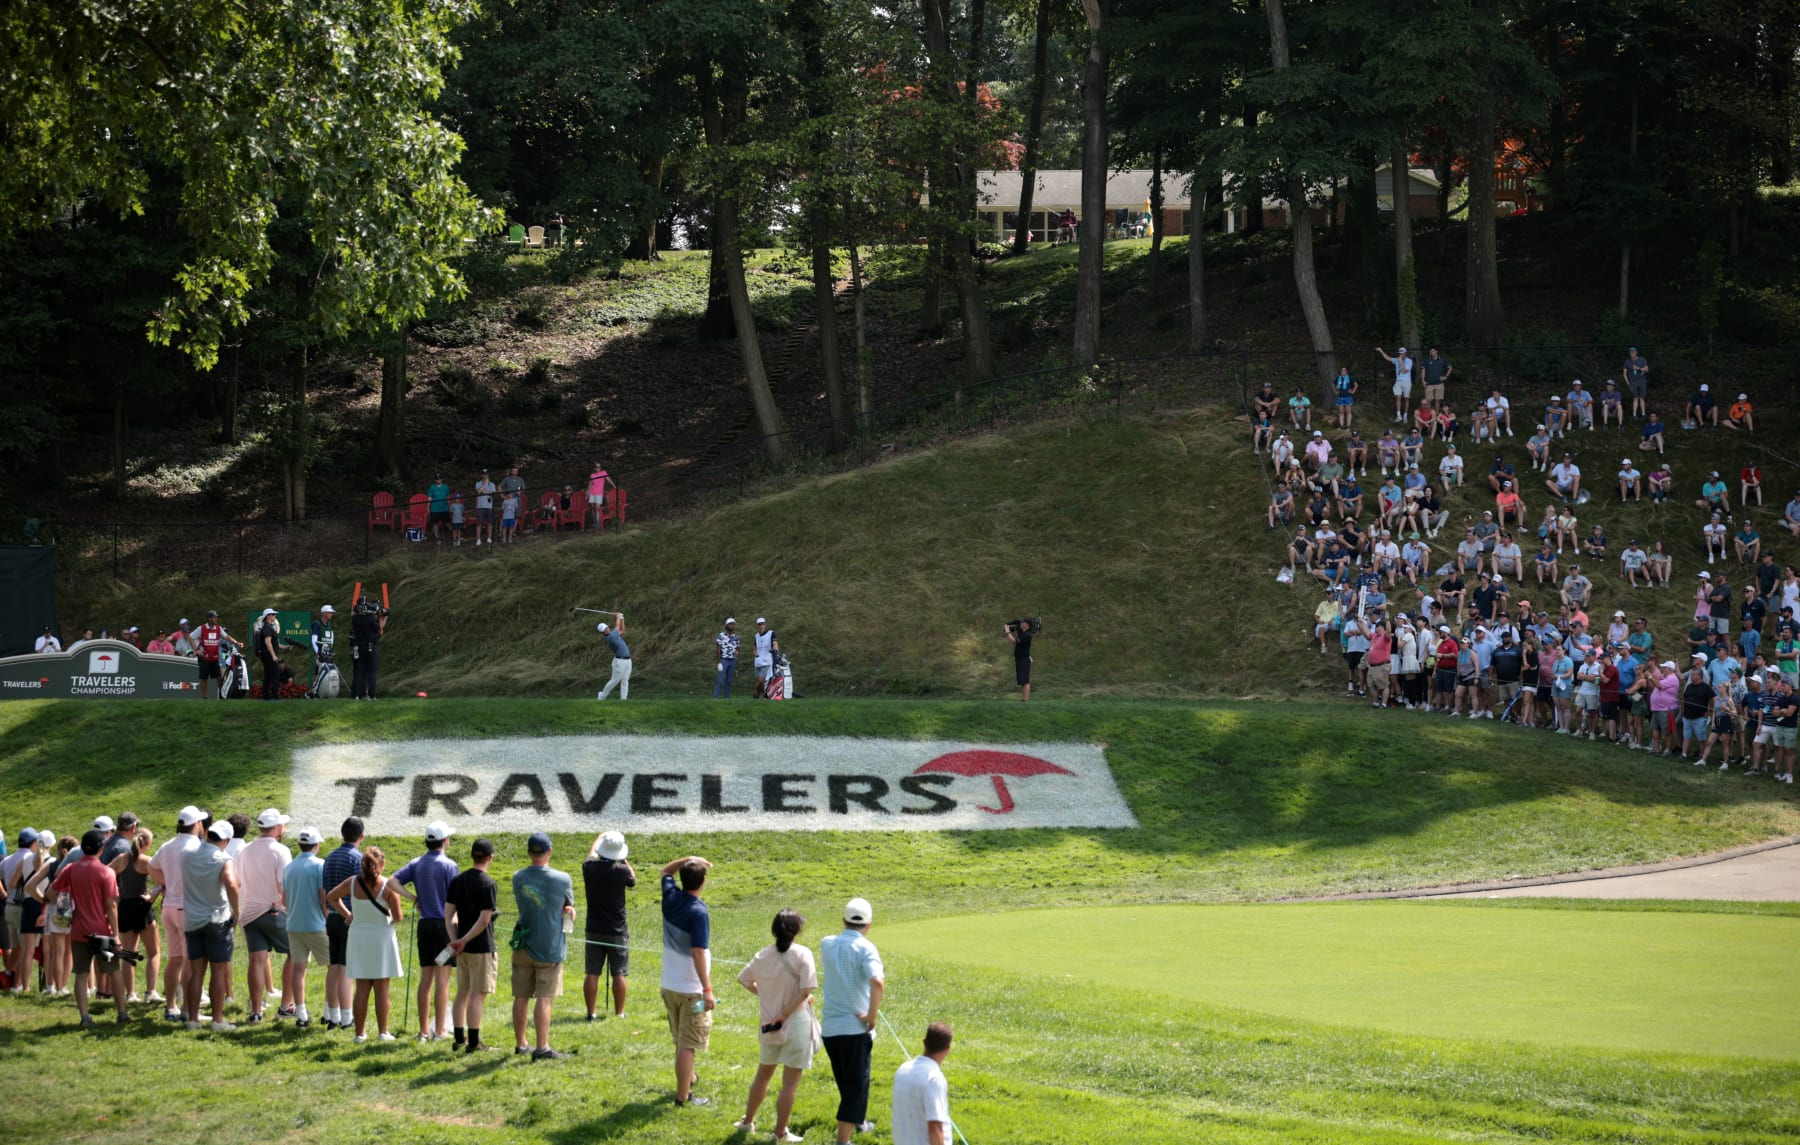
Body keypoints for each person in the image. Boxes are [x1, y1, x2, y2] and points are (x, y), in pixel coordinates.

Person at [733, 909, 820, 1143]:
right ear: (797, 930)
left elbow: (743, 979)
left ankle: (747, 1121)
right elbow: (806, 990)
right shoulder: (803, 954)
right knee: (789, 1083)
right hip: (796, 1022)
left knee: (763, 1075)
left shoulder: (762, 955)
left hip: (769, 1022)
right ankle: (780, 1133)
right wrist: (786, 1012)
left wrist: (767, 996)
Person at [820, 896, 884, 1143]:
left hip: (830, 1029)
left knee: (847, 1083)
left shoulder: (827, 944)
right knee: (856, 1089)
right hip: (855, 1029)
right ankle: (842, 1141)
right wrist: (871, 1015)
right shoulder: (867, 948)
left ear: (843, 921)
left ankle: (859, 1122)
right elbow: (877, 982)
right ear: (868, 926)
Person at [327, 845, 404, 1044]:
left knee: (362, 988)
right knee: (382, 988)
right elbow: (398, 916)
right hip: (381, 938)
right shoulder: (388, 887)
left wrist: (348, 915)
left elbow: (331, 897)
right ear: (382, 864)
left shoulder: (352, 883)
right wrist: (389, 920)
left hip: (358, 936)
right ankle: (382, 1032)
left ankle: (360, 1034)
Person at [51, 829, 128, 1028]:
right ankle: (122, 1013)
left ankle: (85, 1017)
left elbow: (51, 892)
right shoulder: (106, 872)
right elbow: (111, 905)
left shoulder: (70, 869)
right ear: (101, 849)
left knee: (82, 974)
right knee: (114, 971)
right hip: (103, 931)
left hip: (78, 930)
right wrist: (117, 935)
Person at [511, 832, 574, 1060]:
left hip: (523, 941)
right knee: (544, 997)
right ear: (549, 852)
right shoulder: (562, 879)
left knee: (521, 996)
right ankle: (542, 1047)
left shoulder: (518, 877)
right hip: (549, 945)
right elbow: (568, 907)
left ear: (529, 852)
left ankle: (520, 1044)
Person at [395, 821, 459, 1042]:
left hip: (425, 924)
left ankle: (423, 1030)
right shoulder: (450, 866)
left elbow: (393, 881)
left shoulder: (417, 863)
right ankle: (440, 1030)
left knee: (426, 979)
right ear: (444, 841)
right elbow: (456, 898)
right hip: (444, 924)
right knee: (443, 980)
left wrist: (413, 898)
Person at [660, 854, 716, 1104]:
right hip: (691, 989)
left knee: (681, 1039)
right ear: (703, 881)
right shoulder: (699, 912)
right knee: (688, 1044)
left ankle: (689, 1077)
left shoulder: (671, 898)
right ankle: (683, 1096)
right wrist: (707, 988)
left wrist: (688, 859)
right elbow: (697, 952)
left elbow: (664, 872)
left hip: (669, 985)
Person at [147, 806, 206, 1019]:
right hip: (187, 907)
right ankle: (187, 1009)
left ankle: (170, 1006)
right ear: (197, 824)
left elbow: (151, 867)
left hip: (169, 906)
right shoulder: (197, 846)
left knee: (175, 959)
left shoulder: (168, 845)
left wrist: (167, 883)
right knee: (190, 960)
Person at [180, 819, 240, 1032]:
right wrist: (237, 911)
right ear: (226, 840)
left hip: (192, 920)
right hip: (217, 919)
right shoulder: (223, 858)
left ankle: (193, 1019)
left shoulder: (187, 855)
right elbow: (231, 883)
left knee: (196, 972)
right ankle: (217, 1020)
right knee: (218, 971)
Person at [444, 836, 500, 1052]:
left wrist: (455, 940)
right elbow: (485, 919)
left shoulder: (457, 881)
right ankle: (474, 1043)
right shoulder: (488, 883)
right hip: (481, 946)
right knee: (478, 994)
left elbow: (448, 915)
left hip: (461, 949)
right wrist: (464, 940)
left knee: (462, 992)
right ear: (490, 858)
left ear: (472, 856)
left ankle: (459, 1039)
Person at [238, 808, 292, 1022]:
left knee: (257, 960)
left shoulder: (246, 849)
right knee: (296, 954)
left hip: (249, 912)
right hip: (272, 909)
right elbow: (284, 885)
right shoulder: (280, 851)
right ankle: (287, 1005)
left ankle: (256, 1011)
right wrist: (287, 907)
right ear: (277, 828)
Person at [582, 830, 636, 1021]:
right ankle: (620, 1012)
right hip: (617, 930)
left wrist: (599, 838)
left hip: (593, 928)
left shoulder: (589, 868)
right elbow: (633, 879)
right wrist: (623, 858)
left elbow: (591, 854)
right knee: (619, 973)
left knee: (592, 972)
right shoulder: (621, 871)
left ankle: (591, 1013)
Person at [279, 826, 328, 1027]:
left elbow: (283, 900)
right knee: (335, 968)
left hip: (294, 924)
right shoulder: (320, 865)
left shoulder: (289, 868)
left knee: (298, 969)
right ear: (316, 845)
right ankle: (329, 1010)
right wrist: (327, 916)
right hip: (316, 924)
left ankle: (301, 1013)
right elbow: (323, 897)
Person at [321, 817, 364, 1029]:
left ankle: (332, 1014)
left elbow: (326, 890)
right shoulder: (358, 859)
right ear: (361, 836)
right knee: (348, 969)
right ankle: (347, 1018)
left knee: (334, 967)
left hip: (332, 916)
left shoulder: (329, 857)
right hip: (350, 917)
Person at [109, 826, 159, 1004]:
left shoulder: (121, 860)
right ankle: (151, 992)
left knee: (128, 954)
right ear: (147, 844)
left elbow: (106, 875)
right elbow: (162, 881)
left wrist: (115, 895)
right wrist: (152, 897)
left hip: (125, 907)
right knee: (153, 953)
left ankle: (130, 994)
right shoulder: (147, 861)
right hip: (142, 906)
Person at [892, 1023, 955, 1145]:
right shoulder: (934, 1079)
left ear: (924, 1042)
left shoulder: (902, 1070)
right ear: (948, 1048)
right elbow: (935, 1127)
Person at [349, 598, 385, 700]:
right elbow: (379, 630)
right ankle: (371, 695)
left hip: (360, 647)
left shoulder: (355, 618)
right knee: (371, 672)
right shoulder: (370, 618)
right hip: (371, 647)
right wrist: (381, 619)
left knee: (360, 671)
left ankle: (357, 694)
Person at [595, 613, 632, 700]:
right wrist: (618, 616)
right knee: (614, 681)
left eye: (607, 627)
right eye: (605, 630)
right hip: (619, 662)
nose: (607, 630)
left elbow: (622, 630)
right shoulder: (611, 637)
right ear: (602, 632)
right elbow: (618, 626)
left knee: (625, 681)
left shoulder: (614, 634)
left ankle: (623, 699)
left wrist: (622, 619)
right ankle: (602, 696)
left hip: (627, 660)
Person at [1375, 346, 1414, 422]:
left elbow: (1404, 371)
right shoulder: (1397, 359)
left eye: (1402, 353)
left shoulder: (1409, 361)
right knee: (1398, 397)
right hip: (1398, 381)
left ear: (1405, 353)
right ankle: (1398, 415)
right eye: (1400, 353)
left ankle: (1405, 415)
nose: (1401, 355)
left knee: (1406, 398)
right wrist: (1381, 351)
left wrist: (1401, 362)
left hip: (1407, 382)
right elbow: (1388, 358)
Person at [254, 607, 283, 701]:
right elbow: (268, 642)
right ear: (268, 616)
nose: (275, 616)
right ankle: (275, 697)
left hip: (267, 656)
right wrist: (274, 655)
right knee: (275, 676)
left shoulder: (269, 627)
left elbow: (275, 644)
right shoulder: (267, 628)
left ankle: (266, 697)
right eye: (273, 614)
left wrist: (285, 647)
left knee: (268, 676)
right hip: (269, 656)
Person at [1004, 616, 1034, 701]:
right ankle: (1024, 699)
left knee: (1025, 680)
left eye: (1022, 622)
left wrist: (1008, 632)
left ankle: (1025, 699)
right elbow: (1015, 643)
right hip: (1020, 659)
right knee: (1022, 680)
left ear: (1026, 624)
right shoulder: (1023, 634)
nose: (1020, 624)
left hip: (1024, 659)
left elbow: (1013, 641)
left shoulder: (1027, 634)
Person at [309, 605, 337, 695]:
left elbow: (331, 637)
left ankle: (321, 692)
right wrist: (318, 652)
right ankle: (313, 692)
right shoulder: (316, 624)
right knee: (320, 673)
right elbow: (313, 641)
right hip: (320, 653)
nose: (332, 614)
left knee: (324, 673)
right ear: (324, 613)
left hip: (328, 653)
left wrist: (330, 649)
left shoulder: (329, 624)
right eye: (330, 612)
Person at [752, 617, 782, 697]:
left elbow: (775, 643)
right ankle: (764, 693)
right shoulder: (756, 636)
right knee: (763, 680)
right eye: (759, 624)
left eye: (762, 624)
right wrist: (755, 653)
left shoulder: (771, 633)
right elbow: (755, 647)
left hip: (767, 659)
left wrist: (775, 649)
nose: (761, 626)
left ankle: (757, 691)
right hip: (758, 660)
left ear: (765, 624)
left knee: (762, 680)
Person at [714, 617, 740, 699]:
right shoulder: (721, 635)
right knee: (720, 680)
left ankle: (726, 698)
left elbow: (738, 648)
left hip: (732, 660)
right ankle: (715, 697)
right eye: (730, 624)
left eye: (733, 624)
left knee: (729, 681)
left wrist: (737, 652)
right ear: (726, 625)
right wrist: (719, 661)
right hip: (724, 660)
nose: (732, 625)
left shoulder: (736, 637)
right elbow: (718, 649)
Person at [472, 467, 498, 545]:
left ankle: (489, 538)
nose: (485, 476)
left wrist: (484, 491)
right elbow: (479, 491)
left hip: (489, 506)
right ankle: (478, 539)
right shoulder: (478, 483)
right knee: (479, 523)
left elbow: (492, 493)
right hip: (480, 506)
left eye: (486, 474)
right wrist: (486, 484)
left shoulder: (492, 484)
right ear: (481, 475)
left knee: (490, 522)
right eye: (483, 474)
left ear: (488, 475)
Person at [1622, 347, 1649, 416]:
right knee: (1635, 398)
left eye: (1633, 352)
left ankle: (1643, 414)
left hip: (1642, 381)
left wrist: (1639, 368)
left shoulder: (1642, 359)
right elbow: (1624, 373)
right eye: (1630, 352)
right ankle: (1634, 414)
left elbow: (1646, 369)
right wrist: (1627, 382)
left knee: (1642, 398)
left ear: (1636, 353)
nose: (1632, 354)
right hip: (1632, 382)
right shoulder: (1627, 361)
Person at [427, 472, 451, 541]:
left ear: (442, 479)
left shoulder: (445, 486)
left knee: (448, 522)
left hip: (444, 508)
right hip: (435, 509)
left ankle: (454, 535)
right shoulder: (432, 487)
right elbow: (429, 497)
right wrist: (428, 506)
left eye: (440, 479)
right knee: (435, 523)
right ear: (435, 480)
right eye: (437, 479)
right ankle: (437, 538)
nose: (438, 480)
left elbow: (448, 497)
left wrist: (450, 506)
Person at [587, 462, 610, 527]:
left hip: (599, 493)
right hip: (592, 492)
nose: (598, 468)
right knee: (593, 508)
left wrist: (615, 486)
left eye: (599, 467)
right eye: (597, 467)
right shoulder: (592, 475)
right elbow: (590, 484)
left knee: (597, 508)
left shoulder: (603, 473)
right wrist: (588, 492)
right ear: (594, 468)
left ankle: (598, 522)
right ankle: (595, 522)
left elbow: (609, 480)